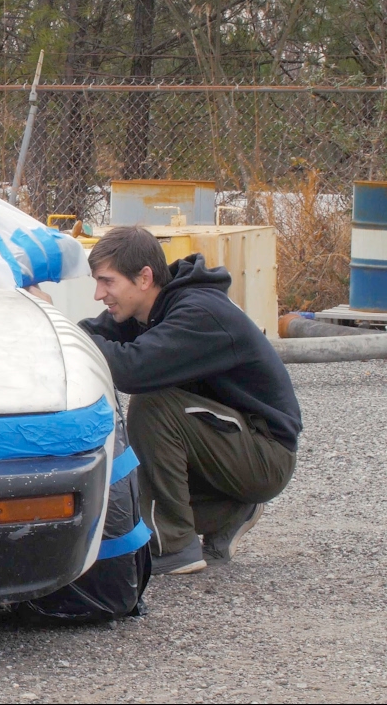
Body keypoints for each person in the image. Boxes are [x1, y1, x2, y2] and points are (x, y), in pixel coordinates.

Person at [30, 226, 301, 576]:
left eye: (107, 282)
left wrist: (56, 320)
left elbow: (130, 369)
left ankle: (172, 547)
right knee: (127, 510)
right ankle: (230, 511)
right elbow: (90, 336)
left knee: (154, 404)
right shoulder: (147, 309)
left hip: (265, 453)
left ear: (144, 278)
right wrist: (49, 325)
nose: (99, 294)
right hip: (230, 443)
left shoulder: (199, 313)